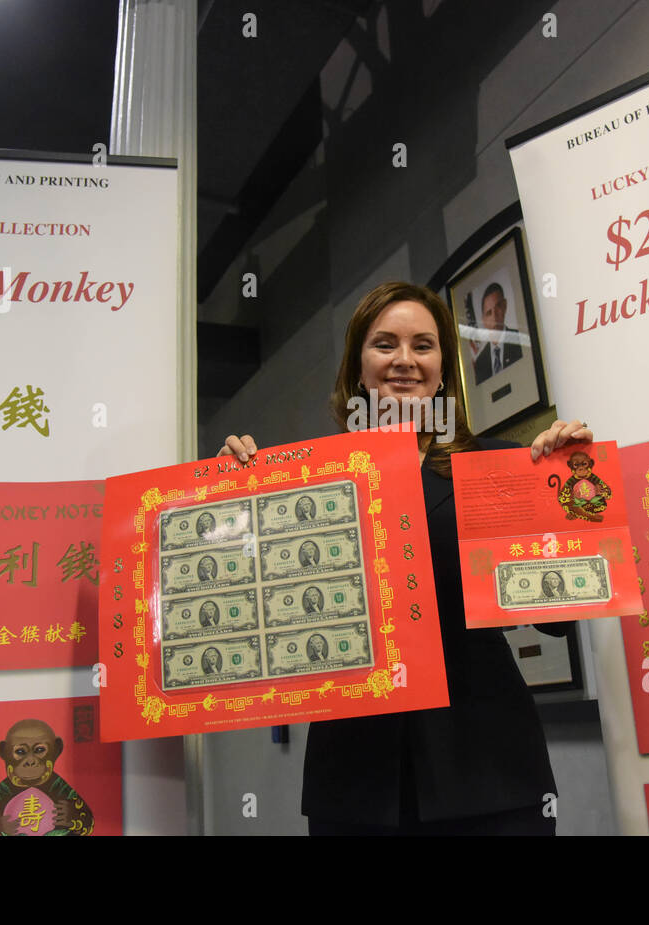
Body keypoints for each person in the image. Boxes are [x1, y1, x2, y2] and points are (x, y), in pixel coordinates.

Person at [219, 280, 591, 835]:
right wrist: (227, 495)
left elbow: (558, 616)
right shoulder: (306, 483)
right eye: (384, 344)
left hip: (486, 768)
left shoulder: (499, 467)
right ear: (357, 367)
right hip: (355, 778)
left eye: (423, 345)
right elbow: (254, 615)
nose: (404, 360)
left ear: (444, 366)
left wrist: (564, 488)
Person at [472, 282, 523, 384]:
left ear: (505, 306)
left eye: (498, 307)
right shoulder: (480, 363)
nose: (494, 318)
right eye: (489, 313)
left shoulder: (521, 342)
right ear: (483, 320)